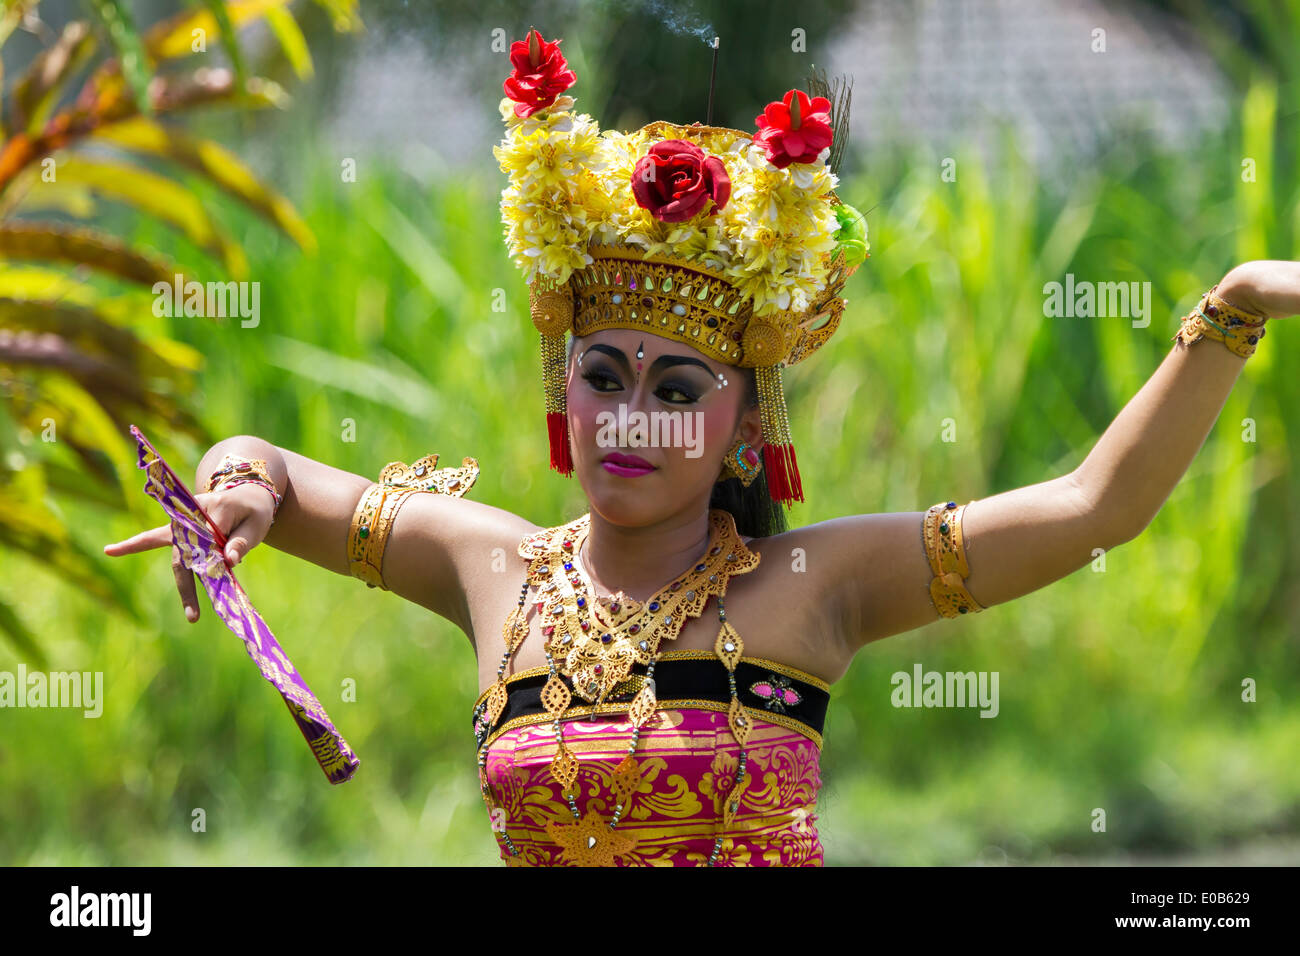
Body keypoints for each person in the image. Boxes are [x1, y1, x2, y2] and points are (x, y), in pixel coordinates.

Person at [105, 30, 1299, 866]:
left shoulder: (816, 587)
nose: (629, 416)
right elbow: (264, 455)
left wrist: (1232, 306)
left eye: (677, 387)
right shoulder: (495, 571)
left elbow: (1094, 506)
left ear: (743, 423)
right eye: (603, 375)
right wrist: (237, 491)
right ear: (561, 389)